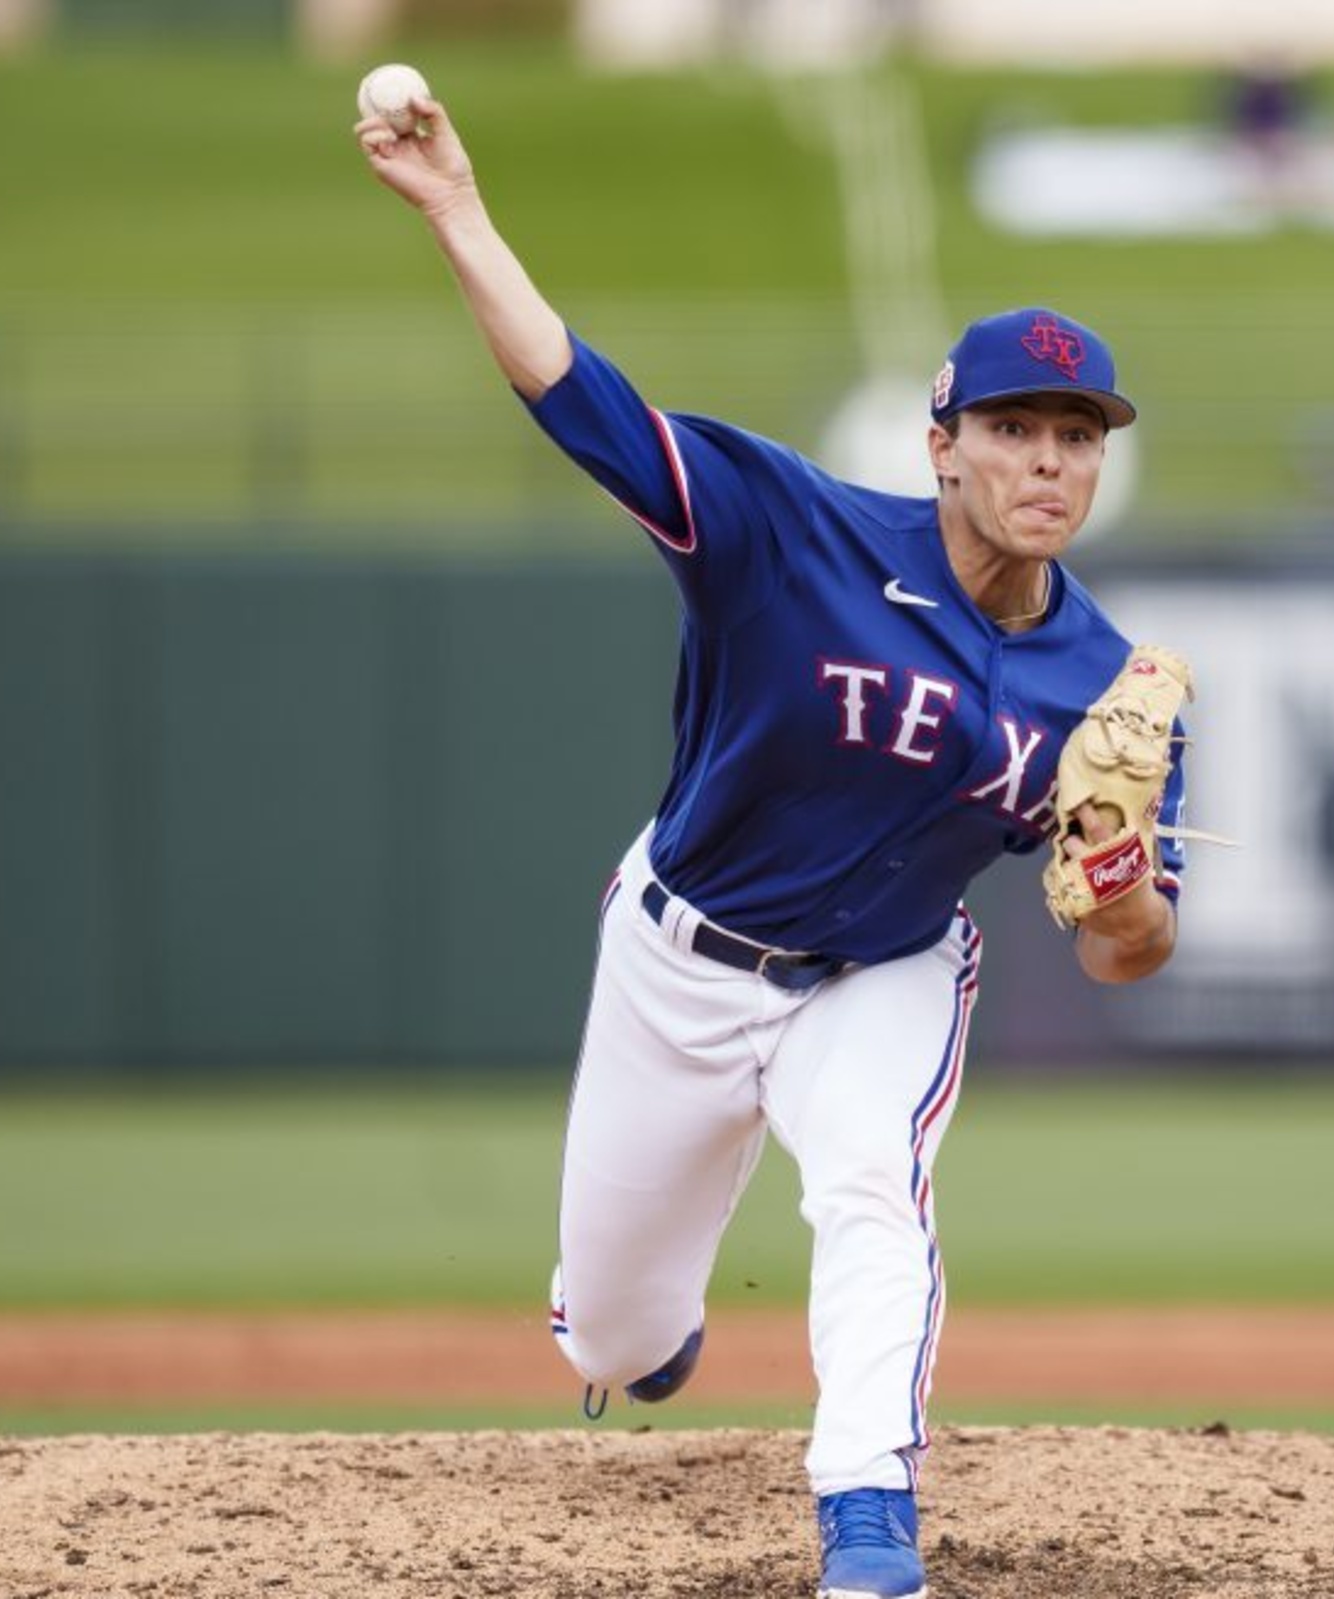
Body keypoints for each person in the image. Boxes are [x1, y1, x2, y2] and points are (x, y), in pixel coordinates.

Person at [357, 84, 1188, 1599]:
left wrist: (1121, 881)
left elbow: (1128, 954)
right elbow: (580, 398)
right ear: (943, 444)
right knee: (610, 1338)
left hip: (879, 974)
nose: (1047, 462)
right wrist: (457, 210)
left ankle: (868, 1518)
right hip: (681, 957)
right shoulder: (792, 530)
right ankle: (644, 1335)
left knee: (872, 1182)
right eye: (1013, 428)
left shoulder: (1109, 691)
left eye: (1077, 436)